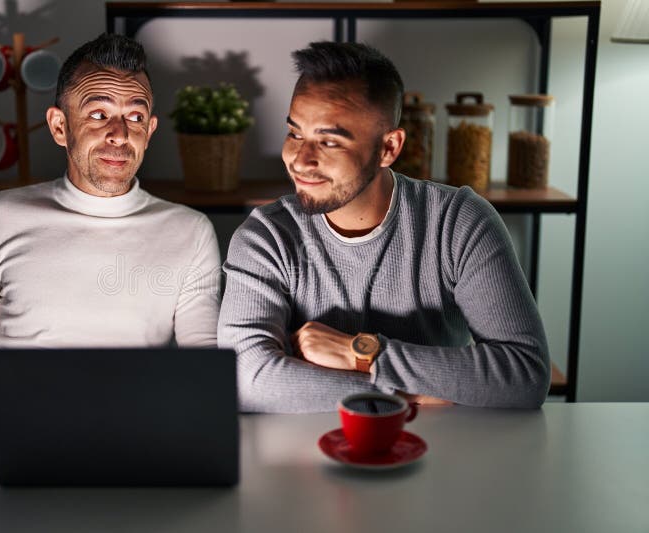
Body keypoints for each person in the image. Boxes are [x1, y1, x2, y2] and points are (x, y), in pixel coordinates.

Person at [217, 41, 550, 413]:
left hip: (439, 454)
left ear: (389, 148)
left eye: (328, 141)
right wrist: (414, 395)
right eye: (295, 134)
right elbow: (245, 380)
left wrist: (360, 352)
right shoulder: (266, 237)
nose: (300, 159)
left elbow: (524, 376)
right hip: (306, 457)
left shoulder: (459, 221)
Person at [0, 34, 221, 410]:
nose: (120, 134)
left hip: (134, 440)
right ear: (60, 127)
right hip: (16, 440)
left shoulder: (189, 231)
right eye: (99, 114)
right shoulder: (3, 215)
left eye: (135, 116)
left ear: (150, 130)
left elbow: (204, 361)